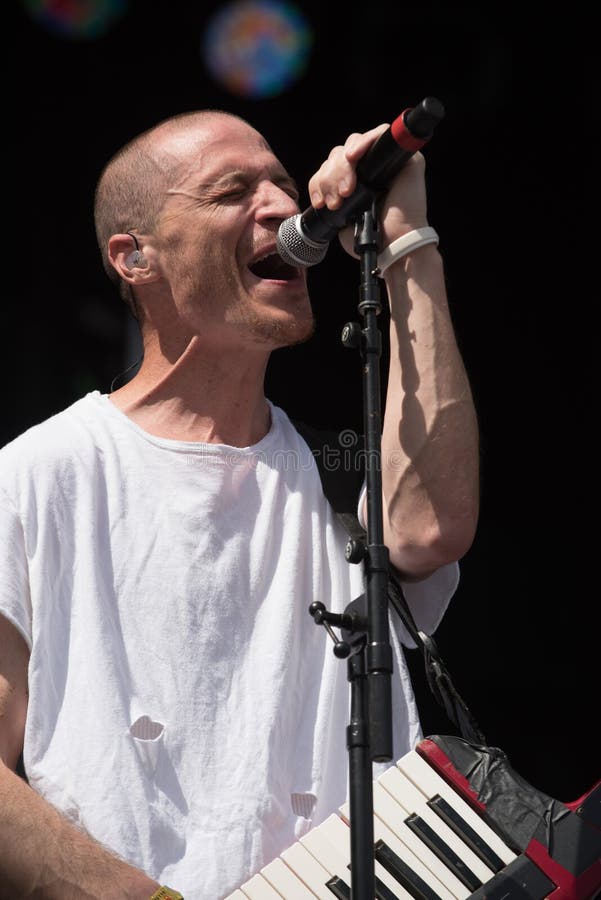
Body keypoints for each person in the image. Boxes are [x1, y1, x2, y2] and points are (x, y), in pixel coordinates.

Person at [0, 108, 479, 898]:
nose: (284, 210)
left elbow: (432, 529)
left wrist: (405, 245)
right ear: (134, 256)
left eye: (285, 188)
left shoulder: (336, 475)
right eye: (232, 191)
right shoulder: (41, 476)